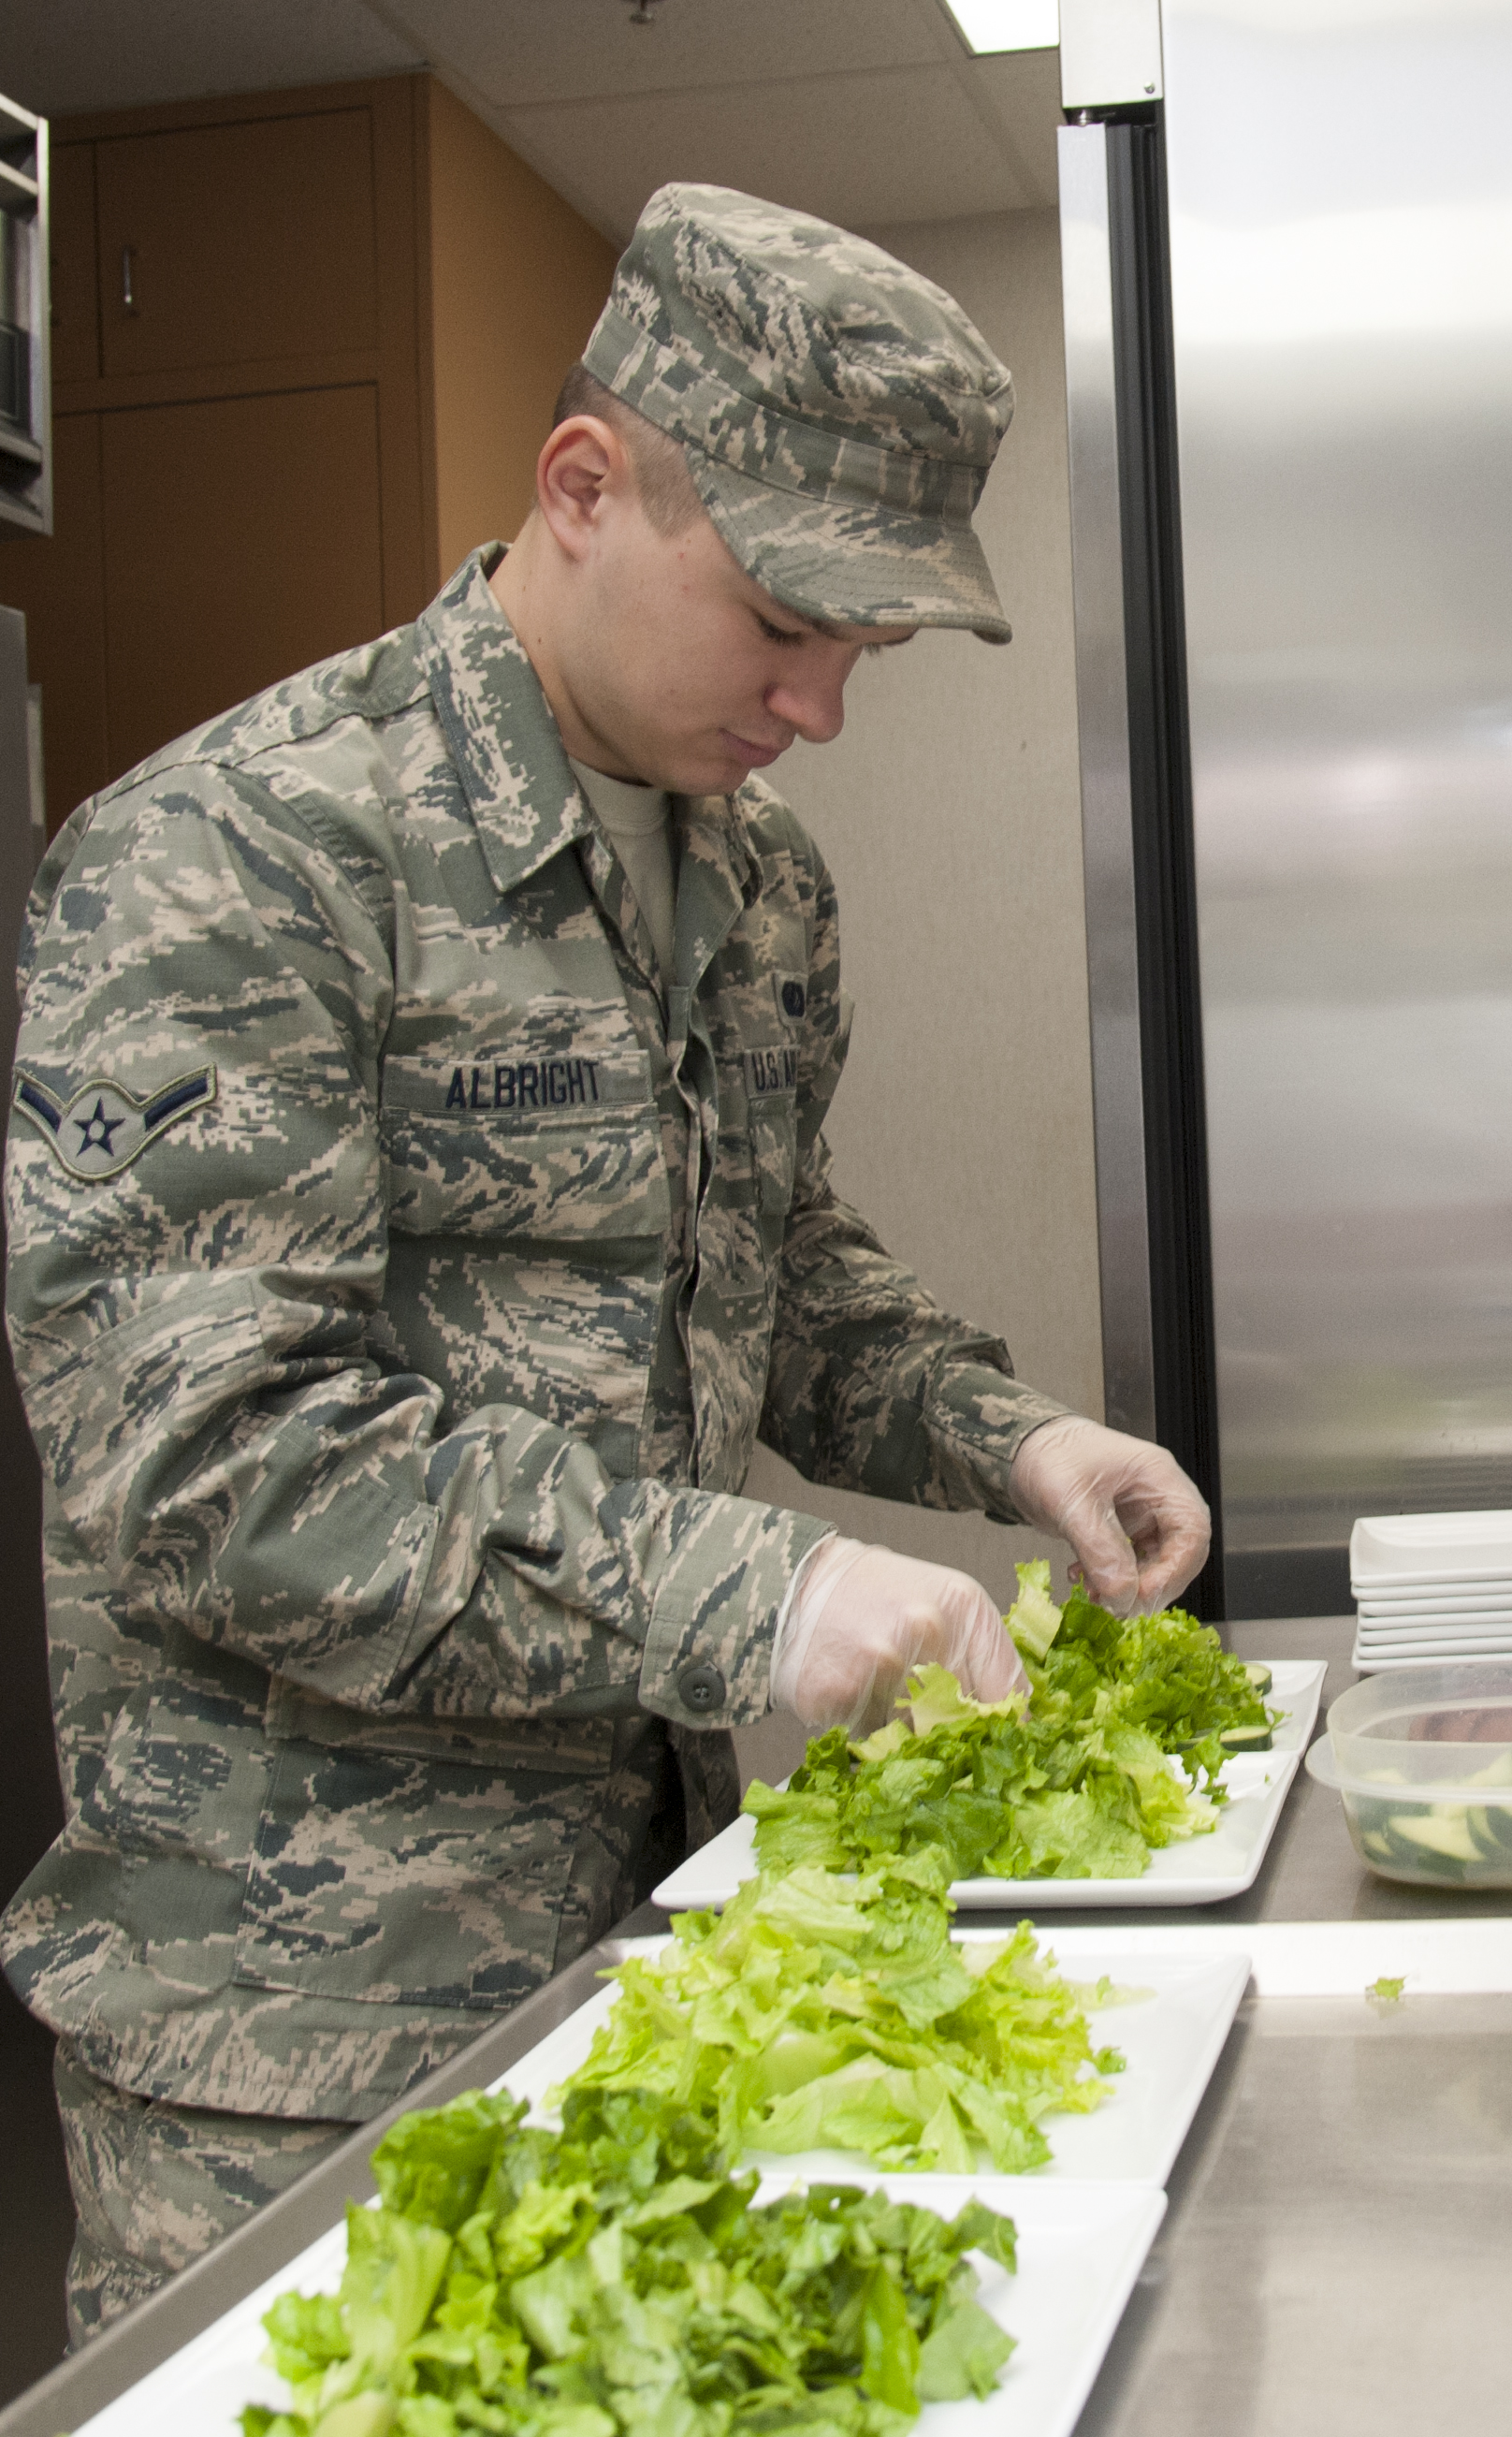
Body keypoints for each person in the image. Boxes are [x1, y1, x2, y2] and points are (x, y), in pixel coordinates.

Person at [2, 182, 1209, 2340]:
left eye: (871, 647)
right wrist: (755, 1588)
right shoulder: (238, 855)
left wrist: (1007, 1435)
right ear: (587, 486)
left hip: (656, 1929)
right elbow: (198, 1460)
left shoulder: (760, 884)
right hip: (302, 2040)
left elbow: (769, 1267)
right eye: (786, 619)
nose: (823, 704)